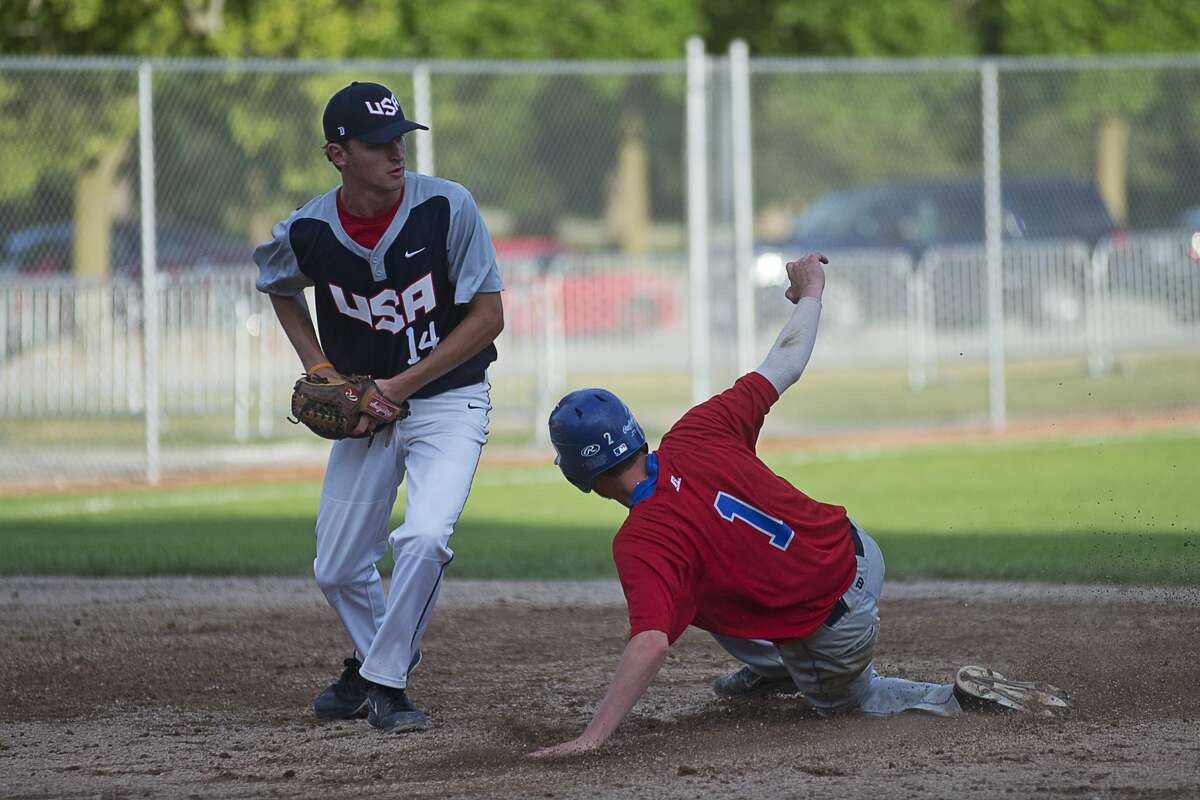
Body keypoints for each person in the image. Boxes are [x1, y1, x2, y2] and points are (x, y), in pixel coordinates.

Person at [531, 253, 1071, 758]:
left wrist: (593, 736)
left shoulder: (642, 540)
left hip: (832, 620)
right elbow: (782, 366)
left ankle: (952, 699)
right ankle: (776, 669)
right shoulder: (696, 431)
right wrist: (812, 290)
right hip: (858, 550)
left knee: (847, 704)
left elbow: (649, 643)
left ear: (584, 476)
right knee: (692, 590)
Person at [253, 81, 504, 734]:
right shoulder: (308, 229)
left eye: (400, 138)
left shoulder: (447, 207)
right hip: (365, 409)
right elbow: (279, 287)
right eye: (376, 144)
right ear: (338, 154)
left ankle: (385, 683)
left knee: (424, 536)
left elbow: (488, 318)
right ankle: (378, 659)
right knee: (336, 568)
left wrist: (405, 384)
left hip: (449, 400)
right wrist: (319, 368)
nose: (395, 153)